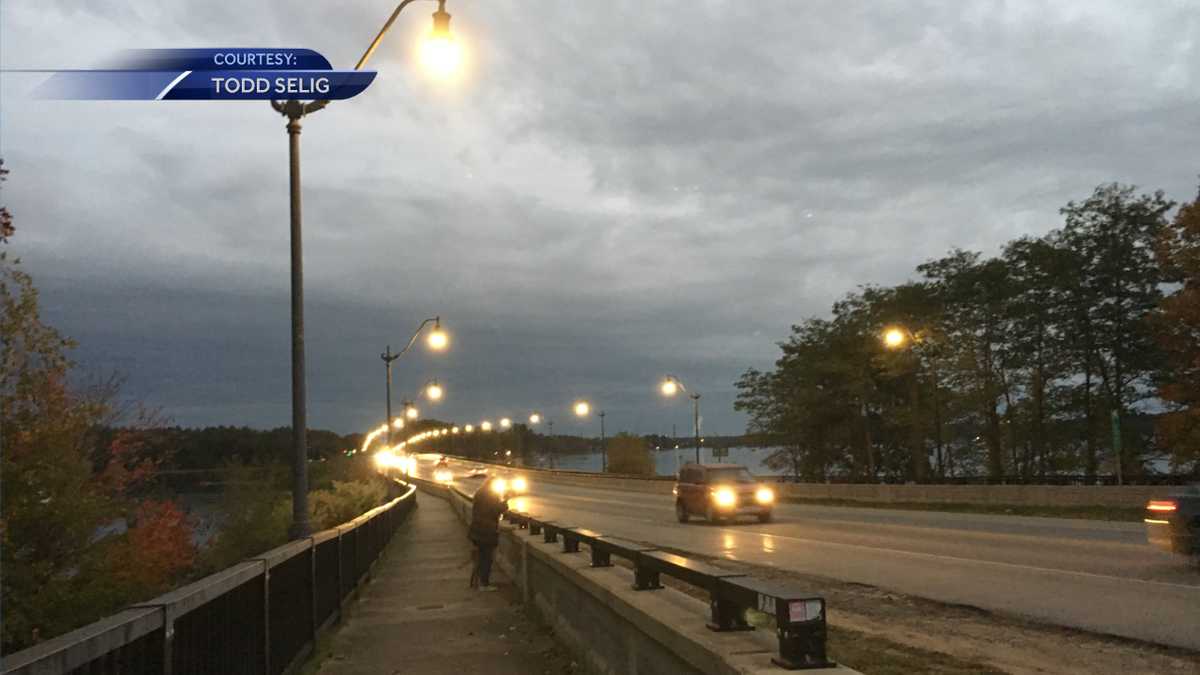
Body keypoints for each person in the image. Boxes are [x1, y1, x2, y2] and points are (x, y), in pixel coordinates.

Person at [469, 476, 508, 591]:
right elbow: (495, 510)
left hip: (477, 530)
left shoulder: (481, 492)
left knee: (481, 556)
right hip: (485, 531)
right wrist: (505, 503)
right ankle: (484, 584)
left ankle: (478, 581)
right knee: (486, 557)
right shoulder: (490, 494)